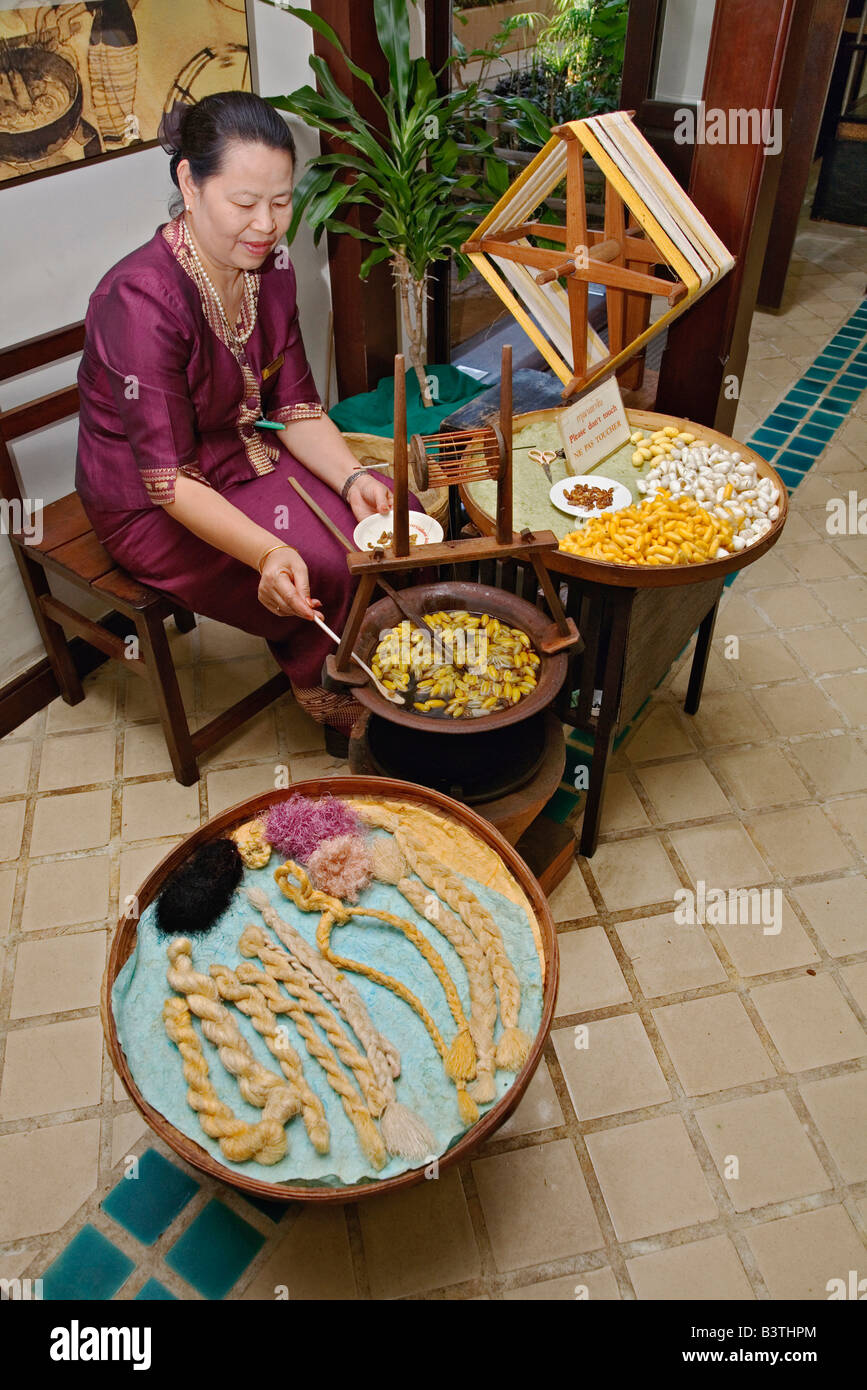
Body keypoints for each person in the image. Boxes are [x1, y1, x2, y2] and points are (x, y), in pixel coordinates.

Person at [75, 89, 401, 735]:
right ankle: (334, 691)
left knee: (397, 517)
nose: (266, 225)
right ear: (189, 184)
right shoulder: (140, 301)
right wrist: (267, 551)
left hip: (244, 453)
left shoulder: (270, 268)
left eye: (280, 202)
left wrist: (353, 480)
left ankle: (383, 665)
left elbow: (297, 407)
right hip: (151, 498)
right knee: (325, 565)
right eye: (244, 203)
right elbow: (169, 481)